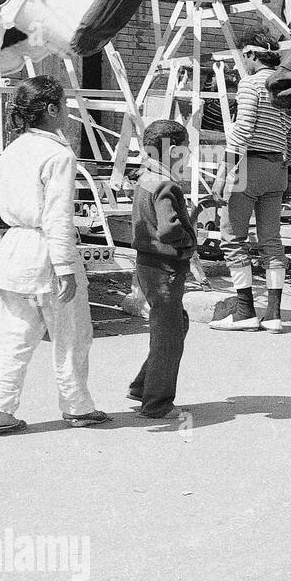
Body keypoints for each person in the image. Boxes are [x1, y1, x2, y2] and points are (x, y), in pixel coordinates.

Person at [0, 77, 108, 434]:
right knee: (71, 335)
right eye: (64, 104)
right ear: (52, 109)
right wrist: (65, 268)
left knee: (12, 336)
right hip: (46, 251)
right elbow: (57, 216)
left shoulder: (12, 149)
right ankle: (77, 406)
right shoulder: (58, 154)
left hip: (14, 251)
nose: (68, 111)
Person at [209, 31, 291, 333]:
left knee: (232, 239)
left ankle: (245, 312)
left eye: (244, 57)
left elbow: (242, 130)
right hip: (277, 170)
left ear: (251, 55)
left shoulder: (251, 84)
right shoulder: (288, 87)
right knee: (272, 242)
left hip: (248, 168)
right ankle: (274, 316)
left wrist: (223, 172)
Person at [129, 119, 196, 419]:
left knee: (175, 323)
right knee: (168, 336)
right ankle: (156, 403)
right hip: (166, 267)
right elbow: (168, 230)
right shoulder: (166, 185)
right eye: (186, 148)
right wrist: (188, 241)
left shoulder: (146, 178)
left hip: (148, 265)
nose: (190, 154)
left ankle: (142, 386)